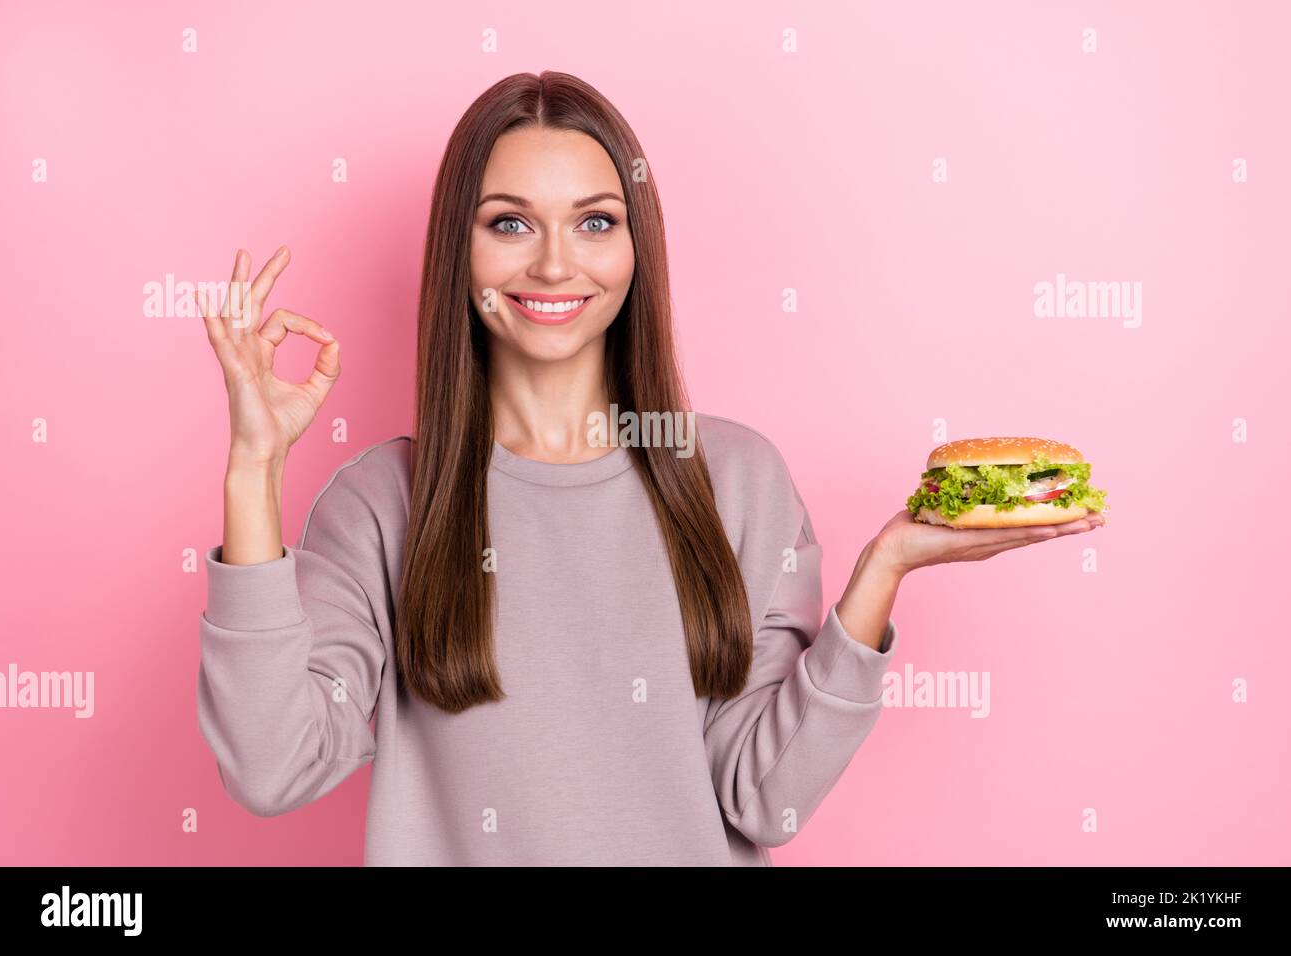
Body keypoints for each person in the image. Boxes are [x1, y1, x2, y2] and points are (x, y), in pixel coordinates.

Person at [195, 71, 1103, 866]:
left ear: (637, 248)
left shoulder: (737, 480)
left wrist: (883, 572)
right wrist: (253, 470)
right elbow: (273, 770)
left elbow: (765, 802)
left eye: (596, 222)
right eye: (509, 223)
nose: (555, 263)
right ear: (457, 252)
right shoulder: (379, 505)